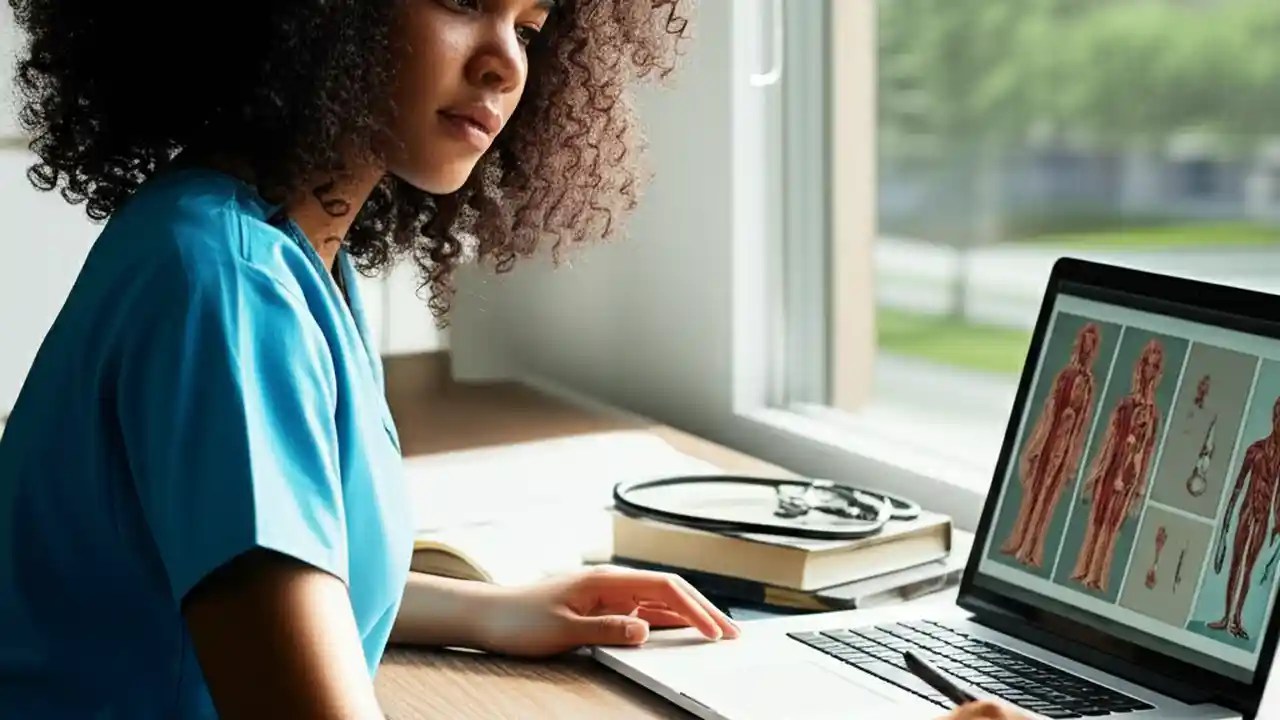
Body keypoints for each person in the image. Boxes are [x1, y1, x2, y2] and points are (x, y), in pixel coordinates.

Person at [0, 0, 1027, 718]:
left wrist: (490, 611)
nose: (504, 63)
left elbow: (231, 570)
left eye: (530, 26)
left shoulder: (277, 245)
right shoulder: (223, 288)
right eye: (460, 1)